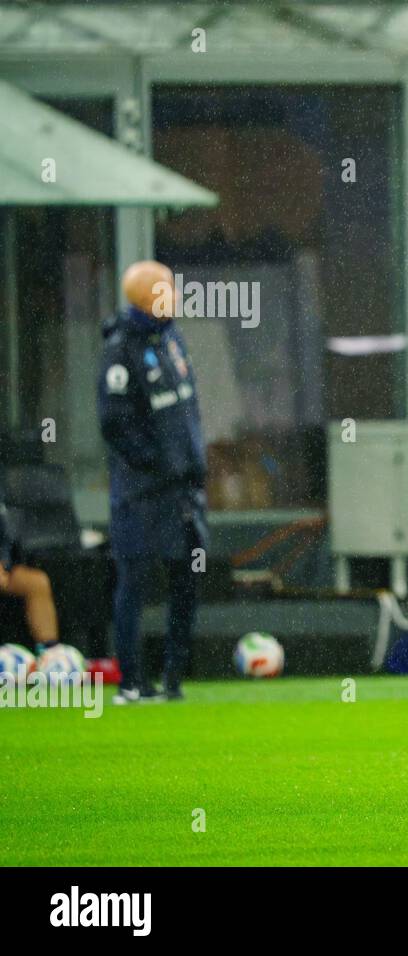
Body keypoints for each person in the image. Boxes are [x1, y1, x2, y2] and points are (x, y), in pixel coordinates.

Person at [97, 260, 209, 703]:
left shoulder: (172, 338)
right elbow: (115, 425)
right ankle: (131, 683)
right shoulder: (120, 351)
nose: (175, 296)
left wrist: (192, 461)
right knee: (135, 583)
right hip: (142, 495)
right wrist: (158, 465)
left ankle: (174, 681)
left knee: (188, 579)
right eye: (167, 290)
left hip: (186, 491)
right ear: (145, 299)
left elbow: (186, 410)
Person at [0, 493, 61, 654]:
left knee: (36, 582)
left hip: (5, 569)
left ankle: (50, 653)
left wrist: (6, 564)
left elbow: (6, 540)